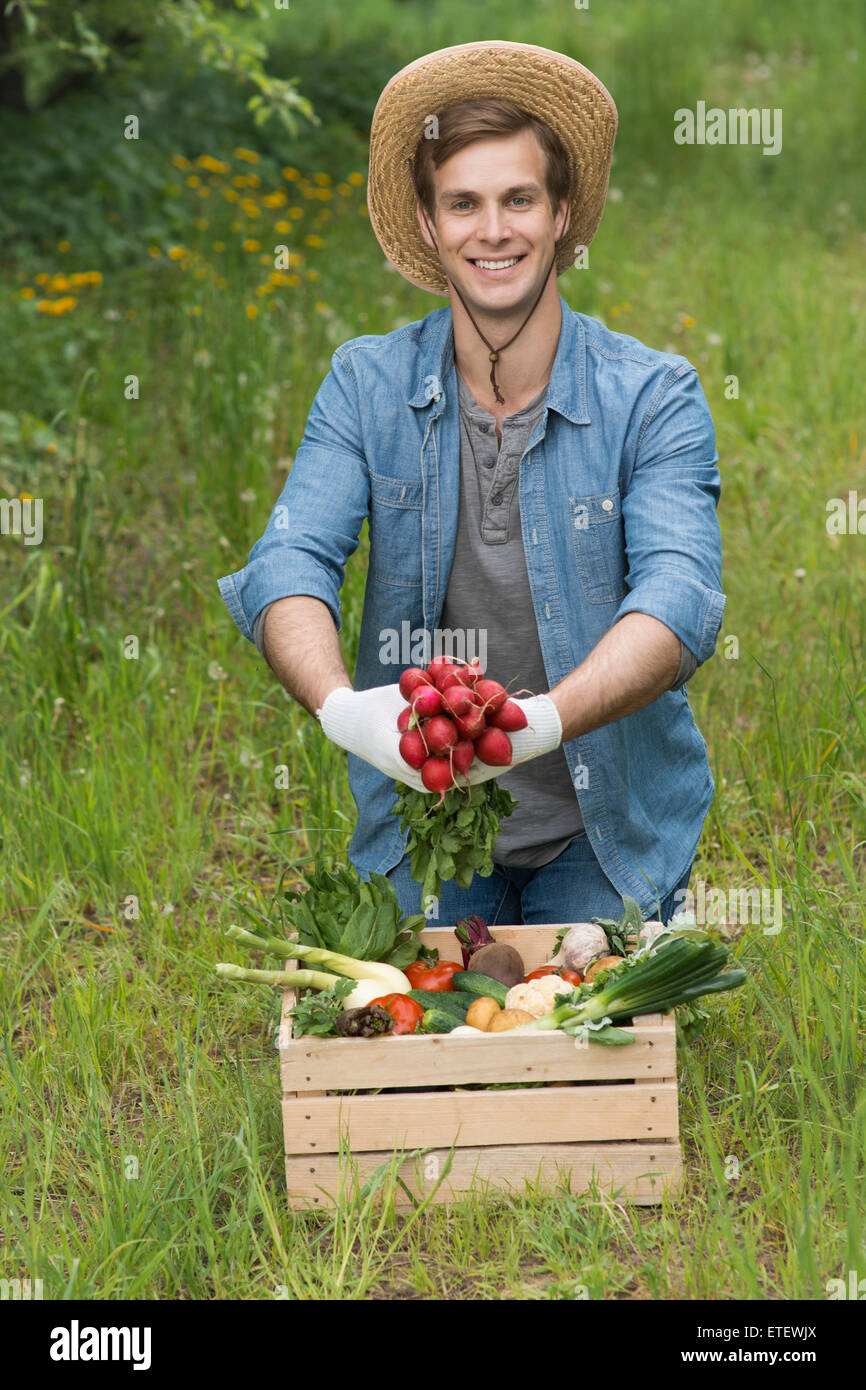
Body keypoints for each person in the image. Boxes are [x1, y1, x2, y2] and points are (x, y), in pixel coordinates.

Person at [217, 41, 726, 928]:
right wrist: (343, 712)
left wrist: (545, 722)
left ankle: (651, 912)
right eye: (465, 203)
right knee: (432, 1038)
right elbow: (289, 562)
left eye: (519, 198)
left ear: (563, 212)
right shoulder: (365, 384)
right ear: (427, 222)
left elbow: (679, 599)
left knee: (580, 1027)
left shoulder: (652, 394)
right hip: (430, 819)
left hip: (604, 825)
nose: (494, 230)